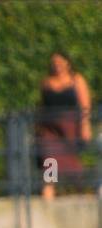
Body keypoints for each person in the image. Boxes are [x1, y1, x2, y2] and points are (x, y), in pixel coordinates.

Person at [36, 52, 92, 201]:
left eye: (60, 62)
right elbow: (42, 106)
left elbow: (85, 105)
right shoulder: (47, 82)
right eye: (54, 63)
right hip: (50, 131)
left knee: (73, 165)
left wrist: (85, 126)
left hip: (69, 129)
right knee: (50, 161)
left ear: (68, 63)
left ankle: (82, 195)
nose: (57, 65)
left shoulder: (76, 80)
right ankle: (48, 196)